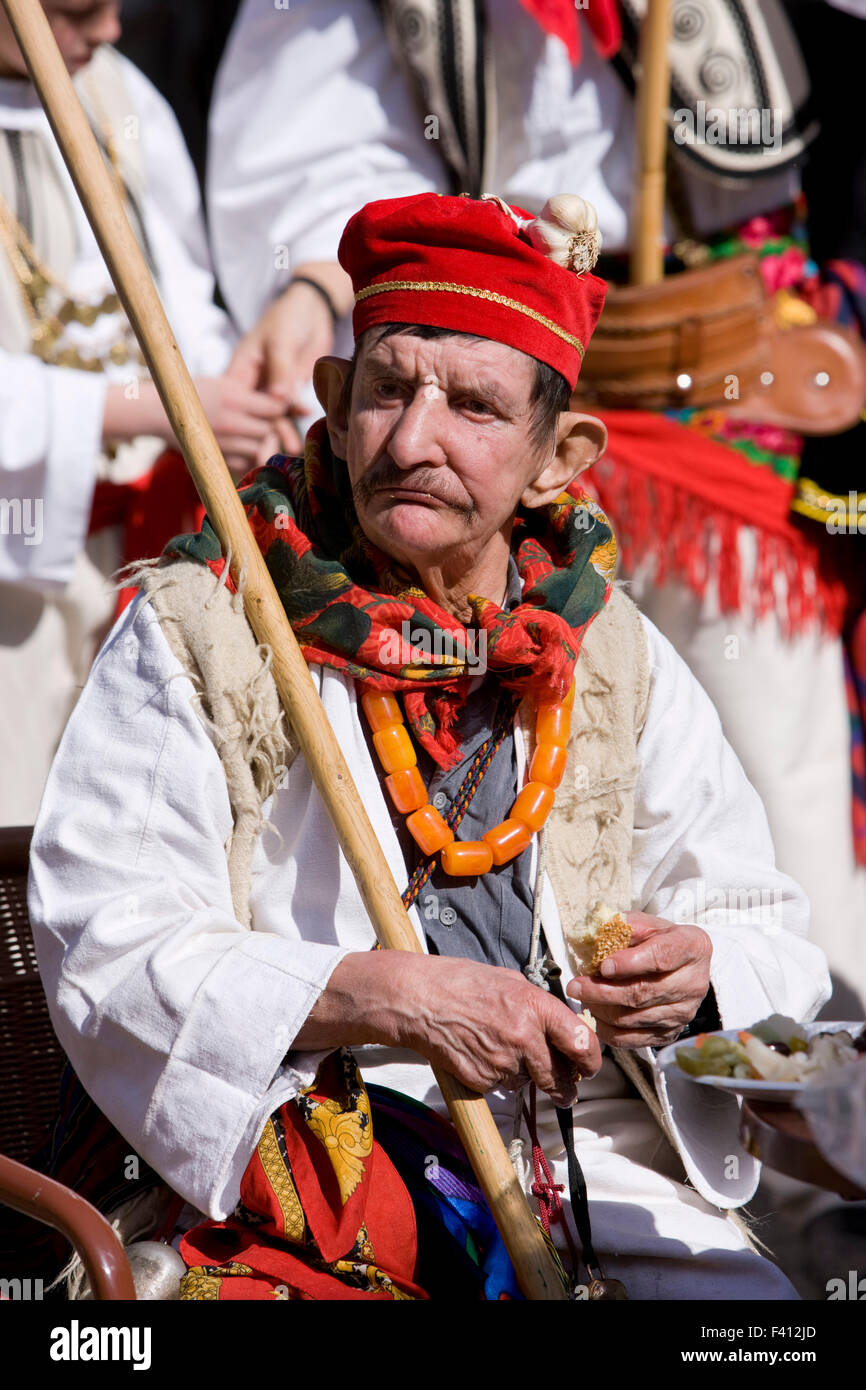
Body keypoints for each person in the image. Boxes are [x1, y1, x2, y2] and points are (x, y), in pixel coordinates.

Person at [29, 189, 829, 1300]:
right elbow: (109, 939)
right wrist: (389, 996)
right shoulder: (208, 622)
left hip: (581, 1161)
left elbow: (763, 925)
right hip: (300, 1156)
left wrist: (696, 981)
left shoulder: (609, 652)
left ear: (559, 458)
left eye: (474, 408)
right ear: (331, 398)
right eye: (387, 389)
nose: (413, 440)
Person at [207, 0, 866, 1014]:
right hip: (482, 366)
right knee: (451, 737)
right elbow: (323, 159)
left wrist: (728, 971)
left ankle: (800, 1104)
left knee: (771, 798)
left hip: (723, 392)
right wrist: (307, 285)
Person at [0, 0, 292, 825]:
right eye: (76, 11)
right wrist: (151, 406)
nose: (112, 31)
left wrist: (231, 395)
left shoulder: (118, 92)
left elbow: (183, 297)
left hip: (147, 539)